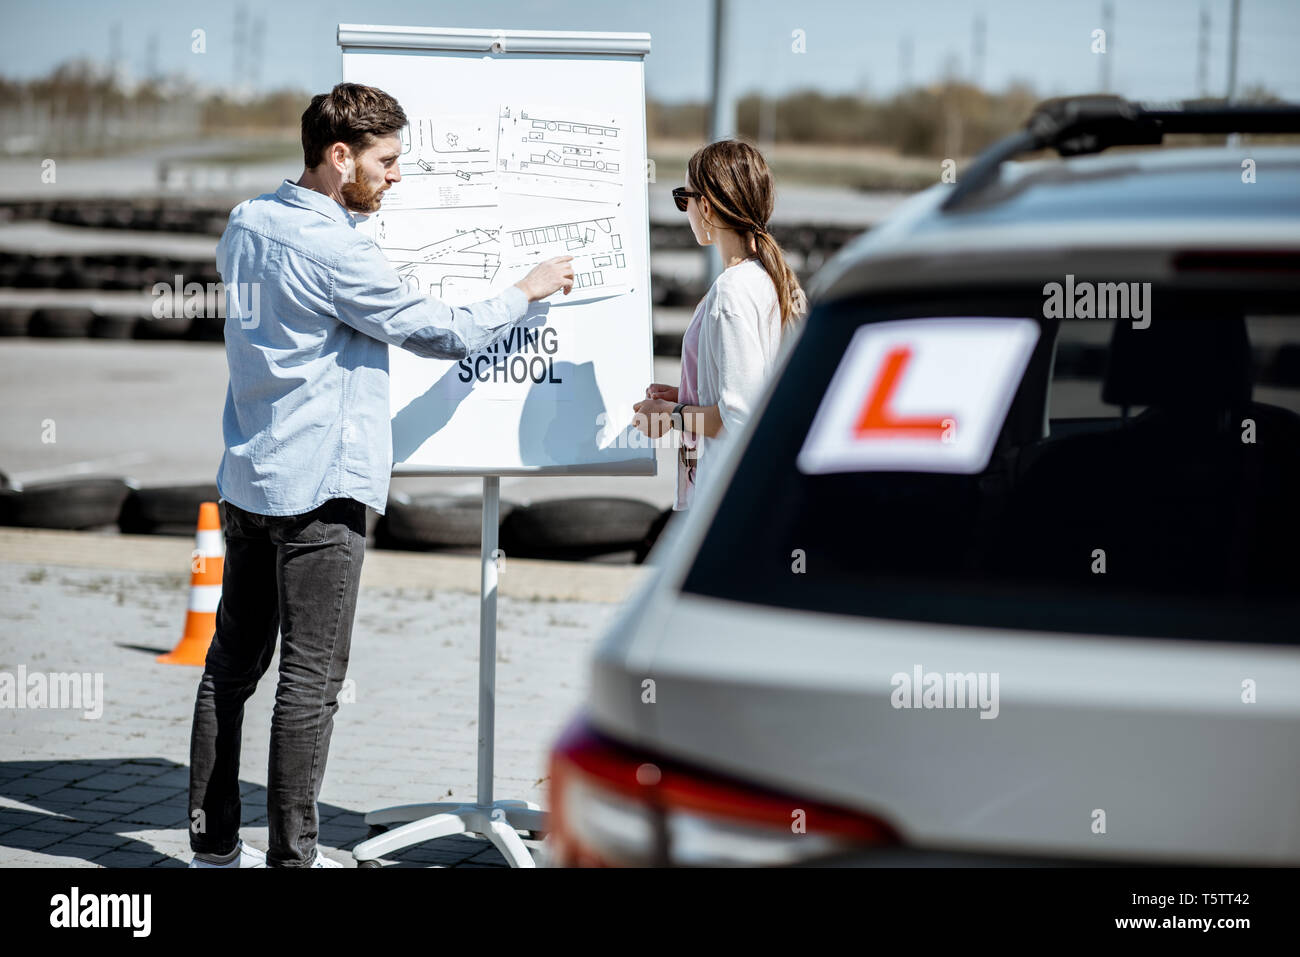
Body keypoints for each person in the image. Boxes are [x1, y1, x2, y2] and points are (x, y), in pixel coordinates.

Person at [186, 83, 574, 868]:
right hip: (321, 490)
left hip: (250, 479)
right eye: (386, 161)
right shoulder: (337, 251)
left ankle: (213, 842)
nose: (396, 177)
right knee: (310, 681)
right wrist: (522, 292)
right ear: (340, 158)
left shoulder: (245, 224)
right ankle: (293, 857)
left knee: (231, 665)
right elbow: (439, 329)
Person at [632, 139, 806, 510]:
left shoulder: (732, 291)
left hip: (728, 499)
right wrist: (687, 395)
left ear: (706, 206)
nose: (685, 209)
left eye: (685, 198)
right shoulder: (765, 279)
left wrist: (671, 415)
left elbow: (737, 418)